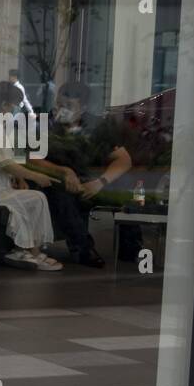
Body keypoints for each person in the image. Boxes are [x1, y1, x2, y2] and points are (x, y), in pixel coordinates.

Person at [33, 80, 135, 265]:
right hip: (59, 179)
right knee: (60, 192)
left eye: (69, 106)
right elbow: (32, 159)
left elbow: (124, 160)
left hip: (92, 180)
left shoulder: (96, 126)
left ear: (84, 107)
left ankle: (131, 248)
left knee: (124, 188)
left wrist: (100, 182)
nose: (62, 109)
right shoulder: (44, 123)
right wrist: (63, 171)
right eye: (59, 104)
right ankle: (82, 248)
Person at [0, 81, 63, 271]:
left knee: (33, 199)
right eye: (15, 106)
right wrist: (35, 176)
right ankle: (30, 252)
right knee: (37, 198)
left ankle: (29, 251)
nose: (16, 111)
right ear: (5, 105)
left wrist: (21, 178)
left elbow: (6, 161)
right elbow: (6, 163)